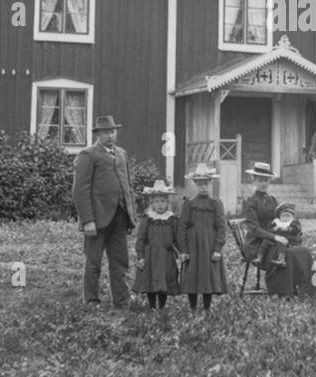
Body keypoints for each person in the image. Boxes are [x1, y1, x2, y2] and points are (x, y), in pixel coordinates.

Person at [73, 114, 138, 309]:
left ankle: (122, 300)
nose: (110, 135)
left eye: (112, 131)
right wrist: (87, 221)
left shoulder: (122, 154)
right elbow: (80, 190)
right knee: (93, 262)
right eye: (105, 132)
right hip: (97, 218)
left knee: (120, 261)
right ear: (98, 134)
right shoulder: (88, 155)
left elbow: (128, 187)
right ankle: (91, 301)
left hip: (119, 216)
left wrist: (131, 216)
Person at [176, 163, 227, 312]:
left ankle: (206, 308)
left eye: (206, 184)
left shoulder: (215, 203)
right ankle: (192, 308)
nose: (203, 187)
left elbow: (221, 227)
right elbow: (182, 227)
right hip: (193, 245)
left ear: (210, 184)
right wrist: (183, 250)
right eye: (200, 184)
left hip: (209, 244)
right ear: (195, 185)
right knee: (192, 274)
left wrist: (218, 248)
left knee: (207, 275)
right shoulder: (189, 204)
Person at [132, 180, 180, 311]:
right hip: (150, 254)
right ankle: (152, 306)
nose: (160, 205)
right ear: (152, 203)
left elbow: (177, 238)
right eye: (157, 202)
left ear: (167, 203)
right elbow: (140, 239)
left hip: (166, 255)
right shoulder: (148, 218)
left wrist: (181, 252)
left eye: (163, 201)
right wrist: (141, 256)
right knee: (151, 280)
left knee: (164, 280)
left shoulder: (171, 219)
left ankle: (162, 307)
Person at [263, 202, 316, 298]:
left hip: (292, 242)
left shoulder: (294, 223)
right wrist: (277, 230)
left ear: (292, 216)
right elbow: (271, 231)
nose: (285, 218)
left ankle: (305, 285)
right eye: (283, 216)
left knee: (304, 252)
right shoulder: (276, 223)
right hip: (280, 244)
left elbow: (295, 229)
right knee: (284, 249)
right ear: (280, 217)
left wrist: (284, 229)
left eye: (288, 216)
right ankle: (285, 288)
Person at [242, 161, 285, 269]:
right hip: (256, 244)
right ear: (254, 181)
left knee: (290, 250)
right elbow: (254, 229)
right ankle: (277, 282)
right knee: (280, 253)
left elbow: (280, 220)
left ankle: (288, 283)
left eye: (266, 180)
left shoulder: (272, 200)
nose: (263, 184)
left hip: (271, 240)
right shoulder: (251, 202)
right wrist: (274, 237)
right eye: (260, 180)